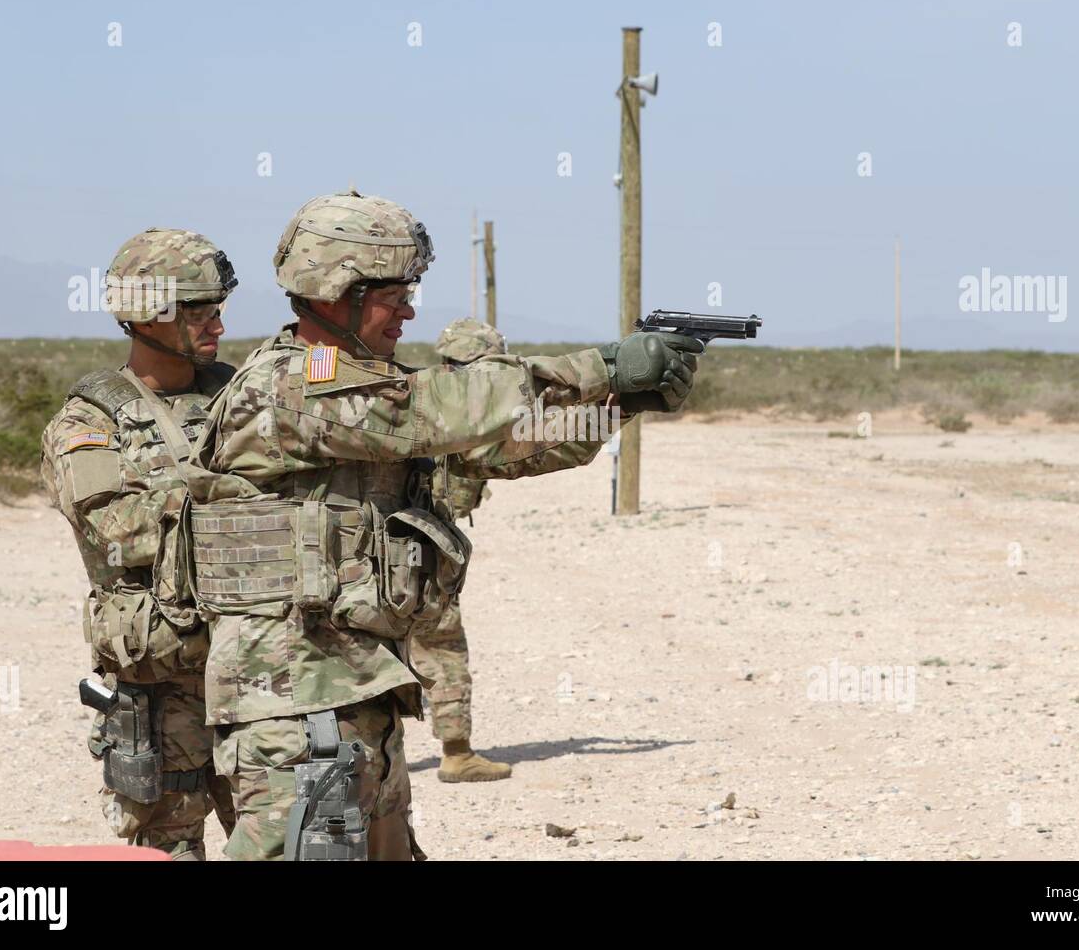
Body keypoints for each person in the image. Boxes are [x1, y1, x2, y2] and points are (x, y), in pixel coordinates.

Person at [186, 189, 702, 860]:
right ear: (333, 289)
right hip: (290, 699)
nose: (408, 309)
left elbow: (510, 442)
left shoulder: (375, 385)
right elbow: (443, 407)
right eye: (390, 293)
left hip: (365, 685)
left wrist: (621, 402)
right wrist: (602, 363)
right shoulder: (288, 384)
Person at [39, 229, 239, 859]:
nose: (217, 324)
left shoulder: (240, 397)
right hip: (165, 669)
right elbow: (121, 529)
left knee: (294, 833)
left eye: (218, 306)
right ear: (147, 314)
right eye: (197, 309)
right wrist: (236, 504)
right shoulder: (90, 421)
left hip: (259, 657)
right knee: (167, 845)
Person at [414, 317, 512, 782]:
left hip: (371, 551)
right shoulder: (472, 417)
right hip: (427, 555)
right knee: (443, 649)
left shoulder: (415, 396)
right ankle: (456, 753)